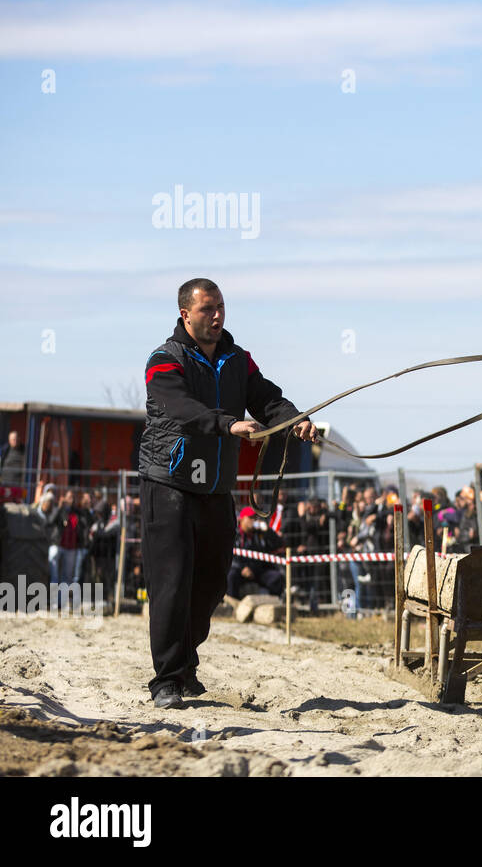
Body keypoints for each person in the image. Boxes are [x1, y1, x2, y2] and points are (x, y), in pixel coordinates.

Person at [137, 278, 318, 708]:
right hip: (169, 483)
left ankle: (185, 664)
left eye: (220, 307)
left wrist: (294, 420)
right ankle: (166, 680)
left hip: (216, 488)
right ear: (185, 314)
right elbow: (182, 408)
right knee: (172, 582)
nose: (217, 316)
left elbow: (267, 399)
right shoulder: (164, 360)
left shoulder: (239, 359)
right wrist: (228, 423)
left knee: (213, 583)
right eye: (207, 309)